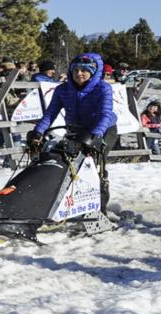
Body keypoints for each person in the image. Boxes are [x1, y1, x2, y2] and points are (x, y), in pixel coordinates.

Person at [28, 52, 116, 211]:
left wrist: (96, 135)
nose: (79, 74)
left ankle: (99, 208)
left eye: (84, 70)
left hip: (103, 129)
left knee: (93, 166)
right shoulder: (63, 89)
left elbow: (106, 114)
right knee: (68, 164)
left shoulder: (103, 88)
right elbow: (50, 113)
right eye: (75, 70)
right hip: (76, 130)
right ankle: (65, 203)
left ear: (93, 72)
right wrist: (38, 132)